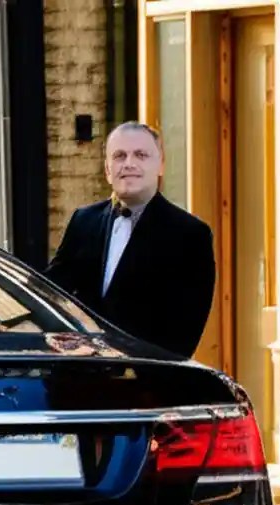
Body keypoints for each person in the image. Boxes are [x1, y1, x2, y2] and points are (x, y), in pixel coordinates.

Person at [45, 121, 215, 359]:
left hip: (146, 382)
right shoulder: (83, 221)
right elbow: (51, 292)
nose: (129, 164)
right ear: (107, 170)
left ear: (160, 166)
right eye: (119, 156)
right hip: (80, 378)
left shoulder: (190, 235)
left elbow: (183, 334)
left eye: (141, 155)